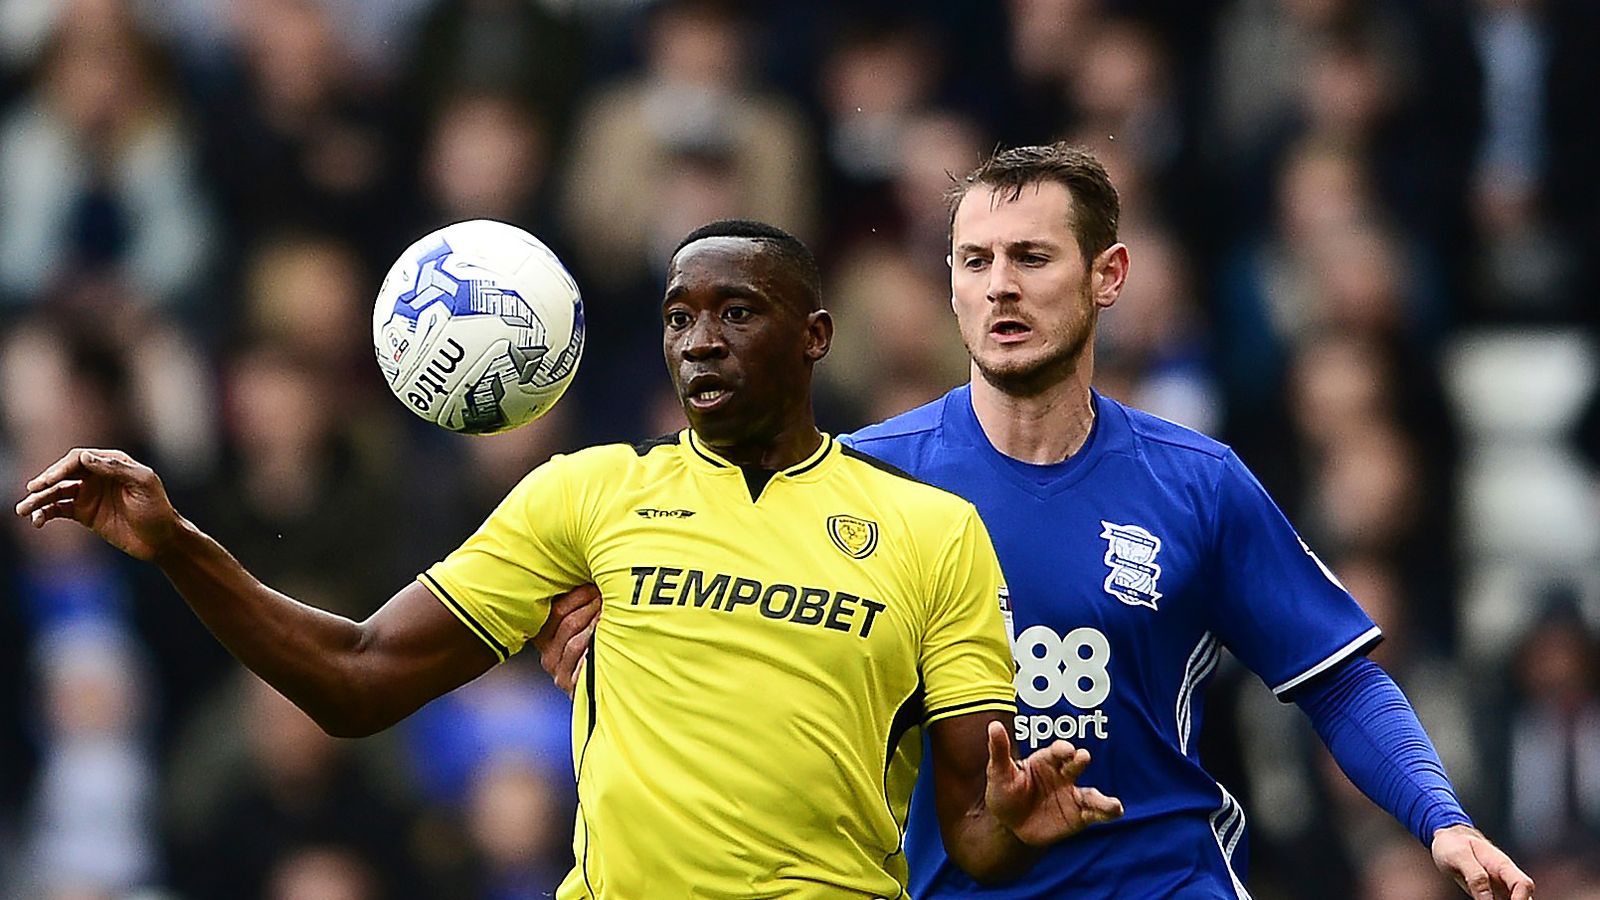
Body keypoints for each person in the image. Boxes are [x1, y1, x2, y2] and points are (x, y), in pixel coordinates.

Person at [14, 219, 1123, 899]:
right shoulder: (590, 495)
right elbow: (355, 678)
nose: (700, 339)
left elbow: (976, 827)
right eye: (679, 316)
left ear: (816, 336)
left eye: (738, 310)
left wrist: (1012, 831)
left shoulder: (931, 533)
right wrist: (177, 546)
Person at [535, 146, 1535, 900]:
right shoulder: (864, 478)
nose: (999, 284)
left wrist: (1438, 821)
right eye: (973, 260)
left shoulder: (1198, 483)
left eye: (1030, 257)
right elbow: (728, 634)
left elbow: (1337, 677)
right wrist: (610, 635)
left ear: (1108, 276)